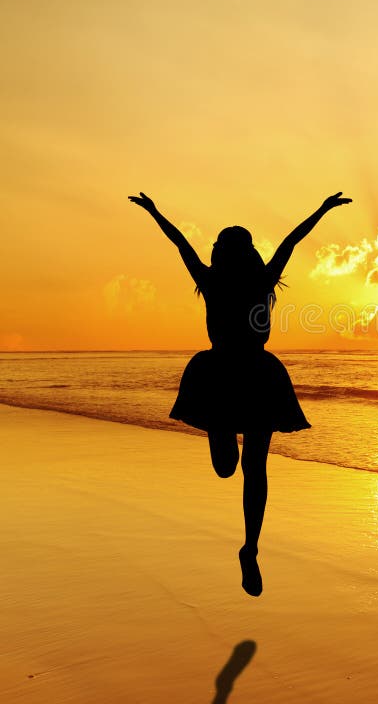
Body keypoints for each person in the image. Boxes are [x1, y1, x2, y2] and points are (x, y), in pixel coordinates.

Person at [128, 190, 352, 596]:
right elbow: (290, 241)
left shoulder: (217, 280)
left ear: (223, 252)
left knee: (244, 468)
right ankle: (249, 542)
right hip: (248, 374)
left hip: (229, 373)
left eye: (218, 246)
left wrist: (156, 212)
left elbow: (182, 243)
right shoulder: (250, 279)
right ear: (248, 253)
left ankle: (250, 548)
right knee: (238, 468)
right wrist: (320, 209)